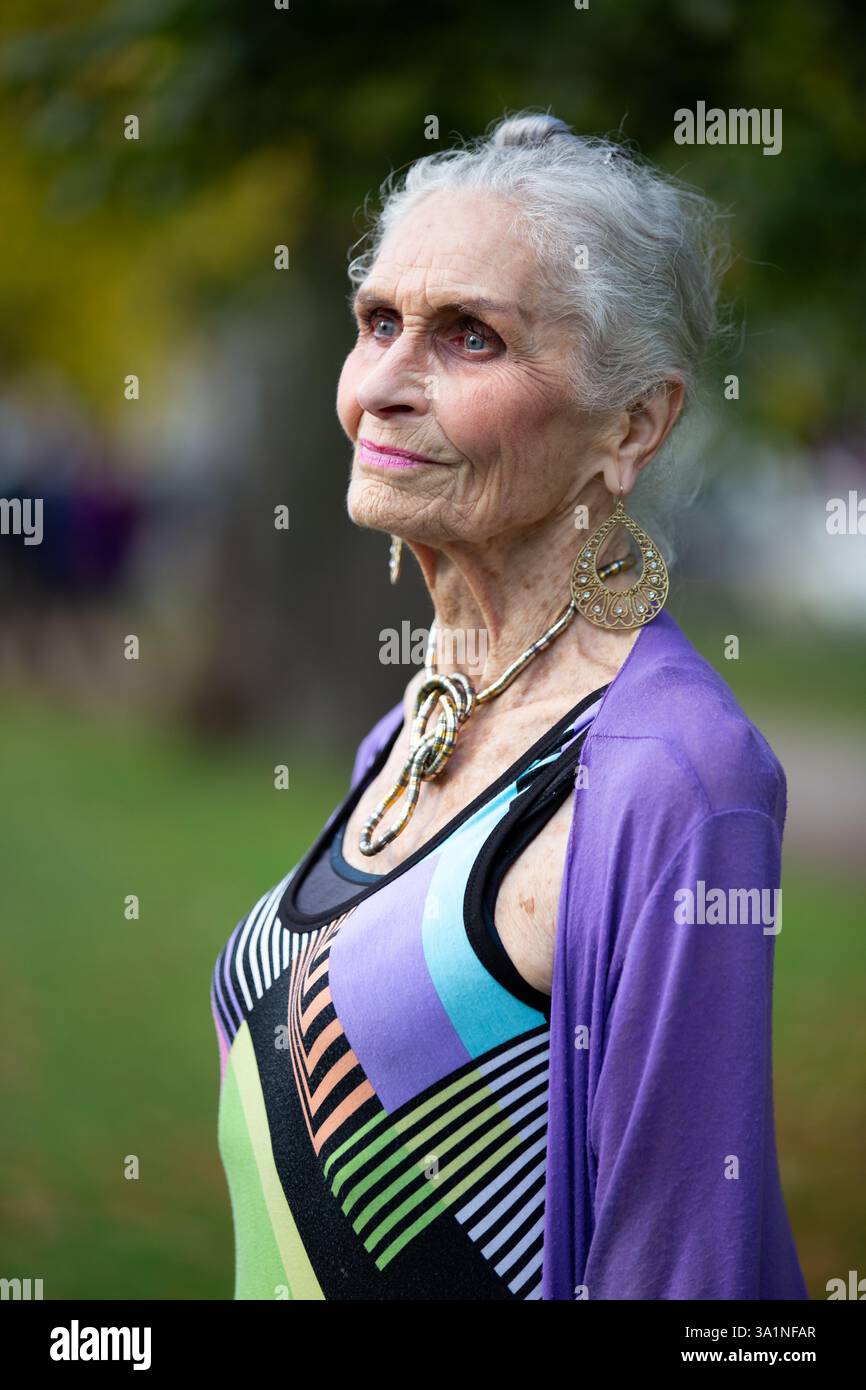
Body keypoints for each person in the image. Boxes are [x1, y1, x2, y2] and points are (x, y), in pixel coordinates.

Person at [210, 110, 808, 1300]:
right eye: (377, 322)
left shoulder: (673, 778)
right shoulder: (414, 725)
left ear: (630, 424)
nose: (380, 385)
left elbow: (685, 1268)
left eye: (468, 338)